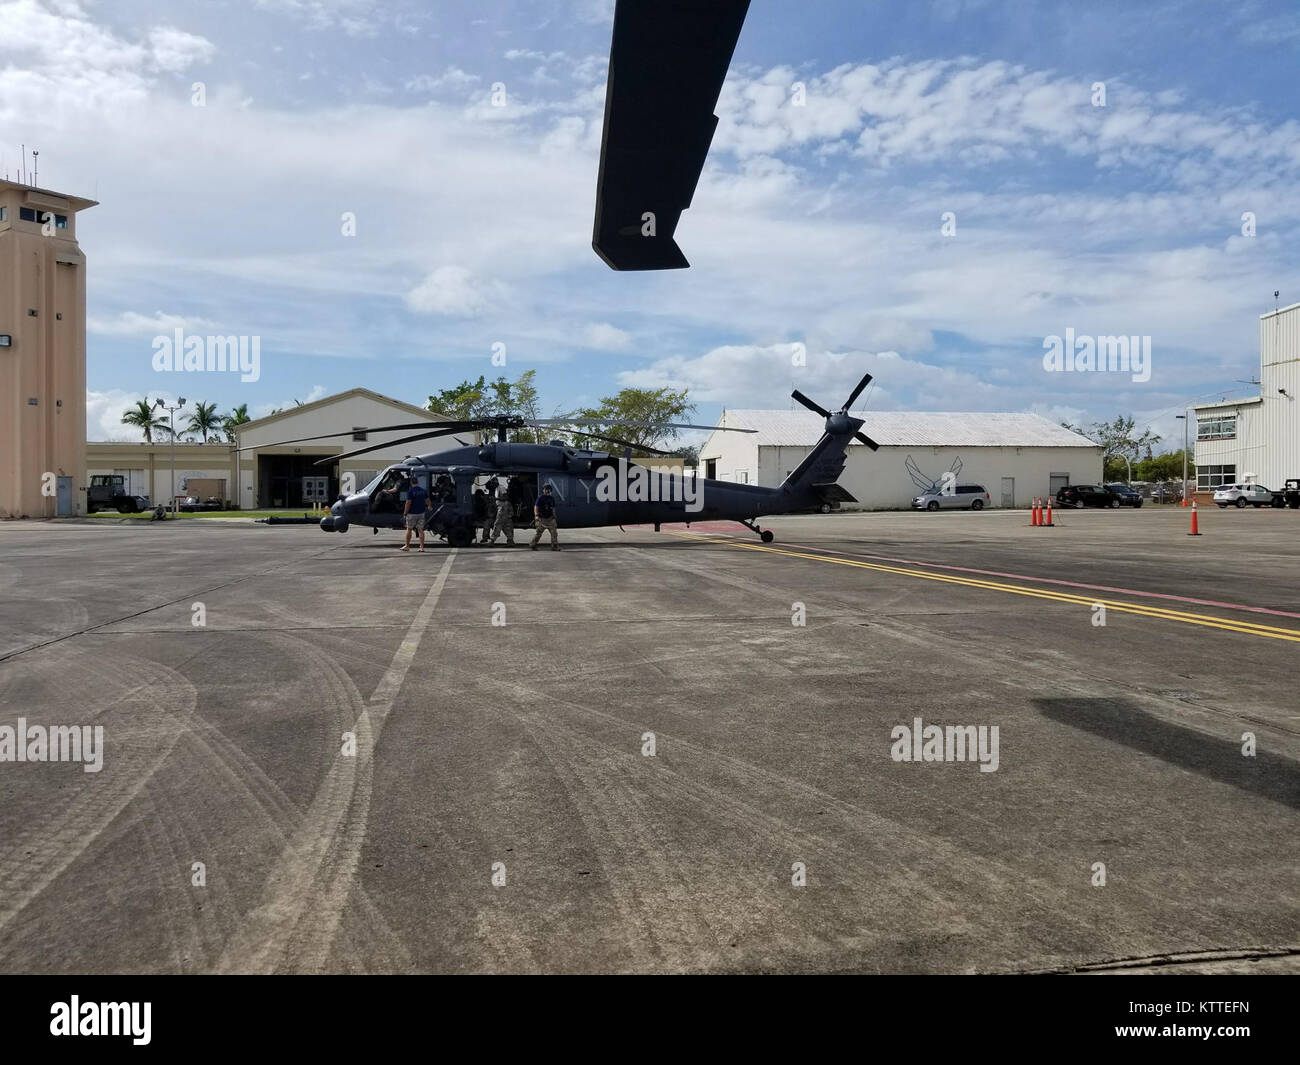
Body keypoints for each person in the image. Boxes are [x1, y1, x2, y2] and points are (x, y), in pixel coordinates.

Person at [400, 473, 430, 552]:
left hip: (412, 514)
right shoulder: (423, 491)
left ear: (411, 483)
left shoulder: (410, 491)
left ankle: (407, 546)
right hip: (421, 513)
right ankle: (422, 547)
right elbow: (427, 500)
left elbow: (408, 503)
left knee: (409, 529)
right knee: (420, 530)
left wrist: (405, 513)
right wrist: (429, 506)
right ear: (417, 482)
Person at [531, 483, 559, 551]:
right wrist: (536, 515)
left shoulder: (552, 498)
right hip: (541, 519)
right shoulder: (540, 498)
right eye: (546, 489)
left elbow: (553, 508)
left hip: (550, 519)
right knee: (538, 533)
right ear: (543, 490)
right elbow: (536, 507)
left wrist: (554, 515)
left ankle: (554, 546)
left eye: (549, 489)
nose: (547, 490)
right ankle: (533, 545)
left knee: (554, 533)